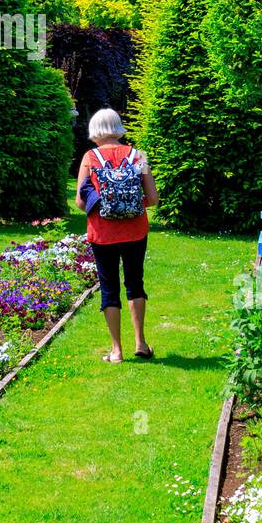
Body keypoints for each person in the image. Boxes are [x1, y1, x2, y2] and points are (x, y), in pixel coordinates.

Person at [75, 107, 159, 364]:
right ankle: (141, 343)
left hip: (102, 233)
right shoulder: (139, 155)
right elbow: (153, 199)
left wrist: (108, 206)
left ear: (94, 130)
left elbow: (80, 202)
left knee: (109, 287)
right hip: (135, 230)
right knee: (135, 282)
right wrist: (130, 206)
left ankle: (116, 351)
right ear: (118, 127)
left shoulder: (90, 158)